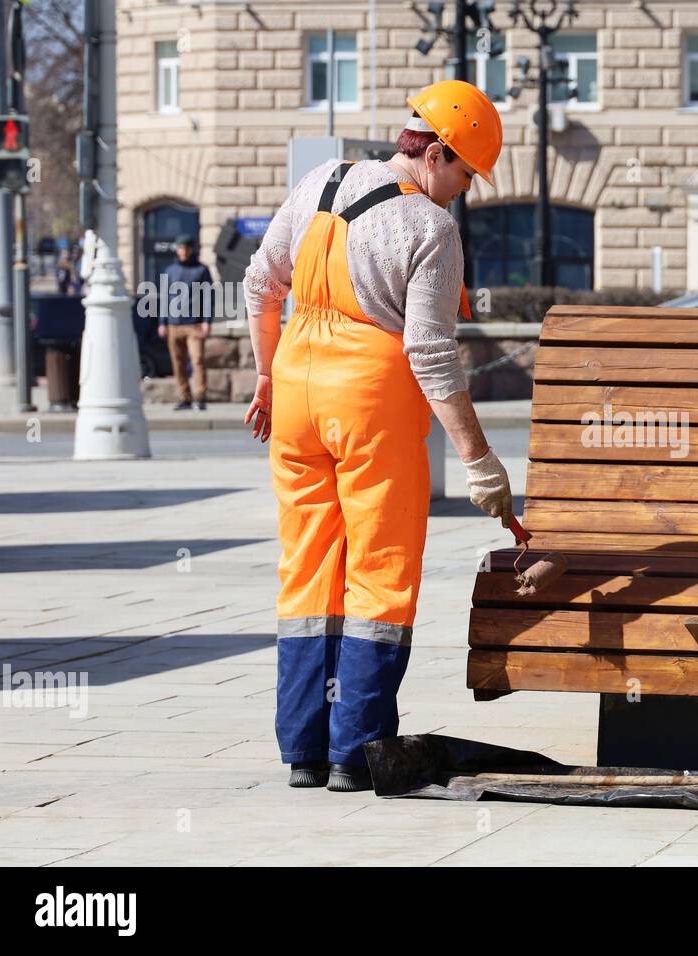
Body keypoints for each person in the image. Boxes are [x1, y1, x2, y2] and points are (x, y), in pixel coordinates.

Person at [241, 80, 515, 793]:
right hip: (368, 400)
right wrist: (479, 460)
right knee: (380, 571)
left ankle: (301, 749)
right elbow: (428, 352)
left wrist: (268, 376)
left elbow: (259, 283)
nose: (462, 192)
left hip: (296, 392)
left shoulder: (320, 181)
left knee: (306, 569)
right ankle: (354, 752)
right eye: (463, 175)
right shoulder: (430, 228)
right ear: (437, 153)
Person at [158, 234, 213, 410]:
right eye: (180, 248)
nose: (183, 251)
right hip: (174, 324)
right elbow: (165, 298)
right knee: (177, 362)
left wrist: (206, 320)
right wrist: (162, 322)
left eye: (185, 248)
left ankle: (201, 396)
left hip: (195, 325)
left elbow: (208, 297)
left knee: (197, 360)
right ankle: (185, 397)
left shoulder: (201, 270)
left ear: (191, 249)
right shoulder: (170, 271)